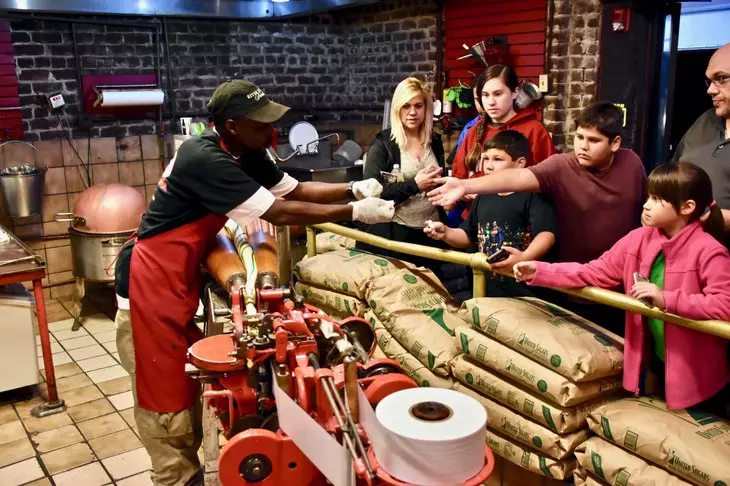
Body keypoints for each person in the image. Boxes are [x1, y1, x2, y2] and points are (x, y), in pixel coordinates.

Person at [113, 79, 394, 486]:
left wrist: (353, 187)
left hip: (177, 280)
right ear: (230, 125)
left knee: (181, 386)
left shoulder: (247, 151)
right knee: (164, 397)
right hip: (148, 284)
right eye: (262, 125)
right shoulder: (202, 156)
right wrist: (355, 212)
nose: (271, 133)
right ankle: (176, 477)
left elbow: (296, 189)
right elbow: (279, 213)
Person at [514, 163, 730, 416]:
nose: (647, 205)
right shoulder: (638, 239)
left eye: (658, 199)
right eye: (649, 196)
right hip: (657, 362)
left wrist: (666, 299)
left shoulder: (710, 251)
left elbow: (724, 304)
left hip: (698, 372)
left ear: (687, 207)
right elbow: (594, 272)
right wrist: (539, 271)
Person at [428, 102, 647, 333]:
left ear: (615, 143)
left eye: (593, 140)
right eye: (579, 137)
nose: (583, 146)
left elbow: (646, 209)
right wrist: (464, 185)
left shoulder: (632, 163)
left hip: (624, 284)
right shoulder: (562, 166)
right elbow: (518, 178)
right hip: (574, 285)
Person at [424, 130, 556, 297]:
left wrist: (524, 256)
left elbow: (546, 234)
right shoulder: (483, 196)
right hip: (487, 288)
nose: (488, 165)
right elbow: (467, 235)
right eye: (486, 158)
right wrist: (445, 232)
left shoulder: (534, 195)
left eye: (498, 159)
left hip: (526, 290)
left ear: (520, 163)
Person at [357, 77, 446, 272]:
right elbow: (371, 193)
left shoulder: (434, 140)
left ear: (426, 108)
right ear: (397, 109)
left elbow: (438, 182)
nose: (412, 112)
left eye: (418, 105)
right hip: (396, 233)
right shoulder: (383, 144)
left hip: (430, 231)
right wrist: (415, 185)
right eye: (406, 106)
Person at [673, 43, 730, 231]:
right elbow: (674, 171)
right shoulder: (705, 121)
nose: (711, 90)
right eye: (709, 81)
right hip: (682, 252)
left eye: (722, 78)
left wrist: (720, 219)